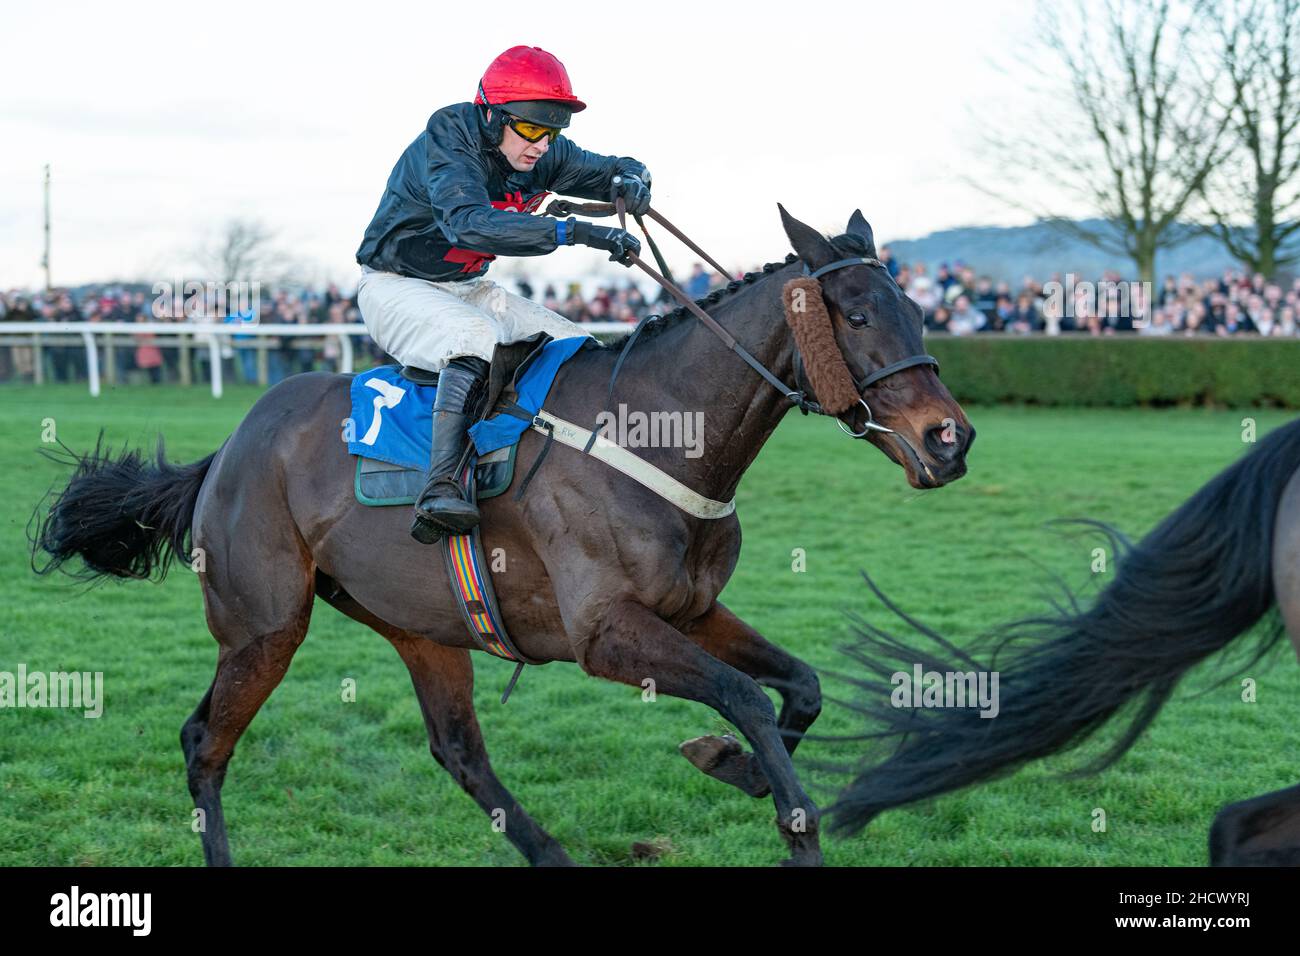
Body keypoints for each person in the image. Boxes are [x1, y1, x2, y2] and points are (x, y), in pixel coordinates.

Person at [355, 45, 651, 544]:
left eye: (553, 131)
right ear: (491, 116)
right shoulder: (449, 136)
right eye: (531, 129)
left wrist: (632, 178)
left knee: (577, 348)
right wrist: (573, 232)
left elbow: (613, 168)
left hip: (466, 288)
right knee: (477, 336)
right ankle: (440, 485)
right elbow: (467, 225)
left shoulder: (542, 151)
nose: (542, 144)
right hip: (394, 286)